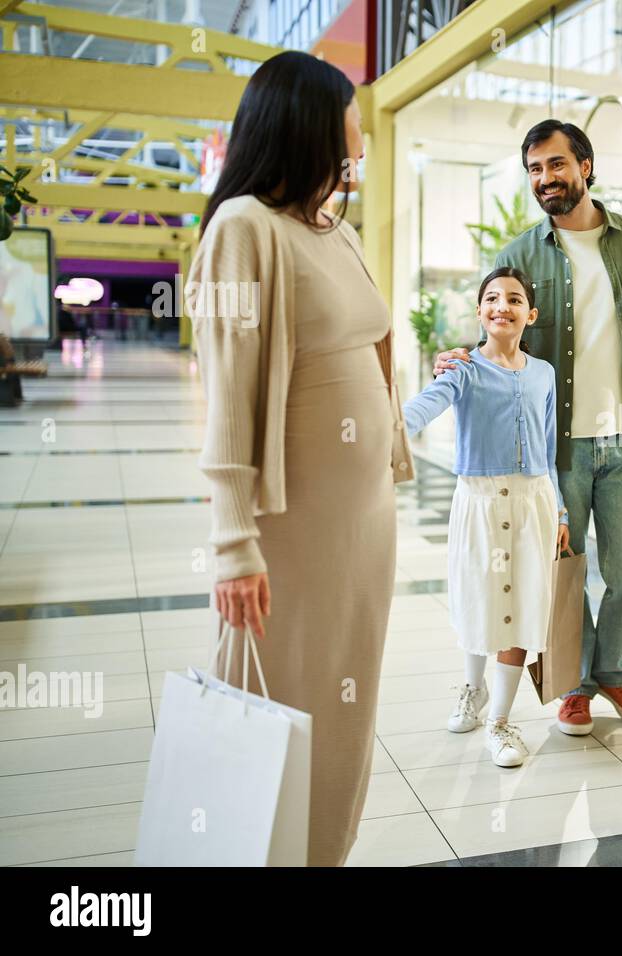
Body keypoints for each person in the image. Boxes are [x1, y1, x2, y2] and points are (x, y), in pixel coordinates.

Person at [189, 50, 414, 865]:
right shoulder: (243, 228)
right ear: (306, 123)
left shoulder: (333, 227)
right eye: (349, 114)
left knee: (345, 706)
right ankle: (260, 853)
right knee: (277, 705)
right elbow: (229, 396)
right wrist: (232, 543)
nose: (359, 130)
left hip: (363, 526)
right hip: (291, 531)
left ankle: (324, 852)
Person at [433, 120, 622, 736]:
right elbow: (498, 336)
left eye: (555, 165)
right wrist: (459, 362)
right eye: (534, 170)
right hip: (556, 448)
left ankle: (615, 671)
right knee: (564, 569)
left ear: (585, 165)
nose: (544, 179)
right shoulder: (521, 255)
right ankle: (574, 683)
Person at [403, 267, 569, 767]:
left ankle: (499, 720)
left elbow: (548, 446)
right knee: (479, 599)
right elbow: (425, 407)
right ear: (479, 312)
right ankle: (472, 691)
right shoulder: (462, 368)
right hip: (479, 501)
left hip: (533, 501)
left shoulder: (543, 373)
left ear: (530, 315)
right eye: (492, 298)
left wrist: (558, 509)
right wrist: (386, 424)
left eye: (515, 299)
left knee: (523, 609)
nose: (503, 306)